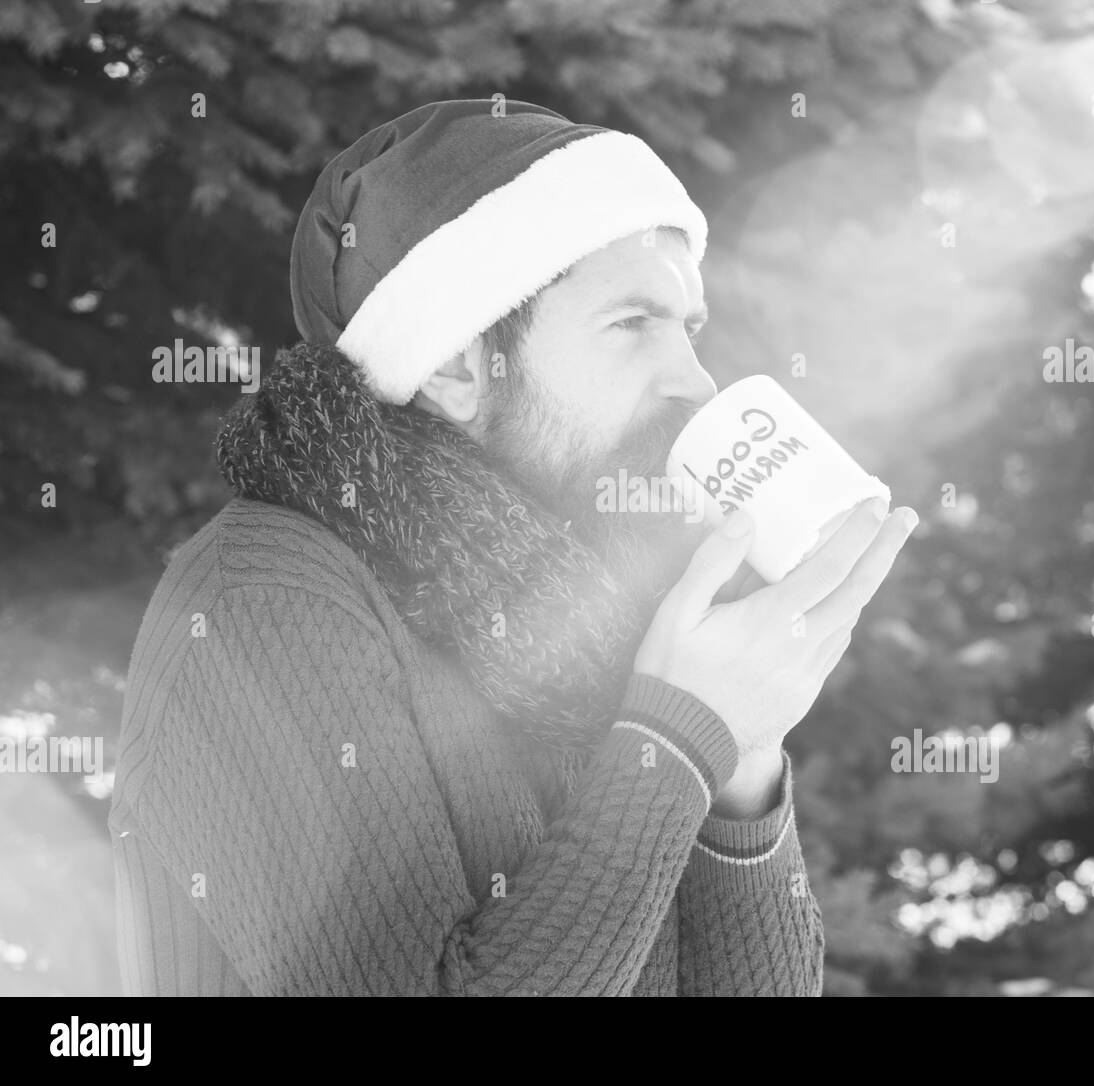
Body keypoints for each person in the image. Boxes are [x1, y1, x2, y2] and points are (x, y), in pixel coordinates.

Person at [107, 98, 917, 996]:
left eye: (688, 327)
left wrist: (745, 758)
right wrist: (679, 736)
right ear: (459, 364)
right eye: (631, 324)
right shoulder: (262, 598)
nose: (695, 379)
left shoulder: (610, 619)